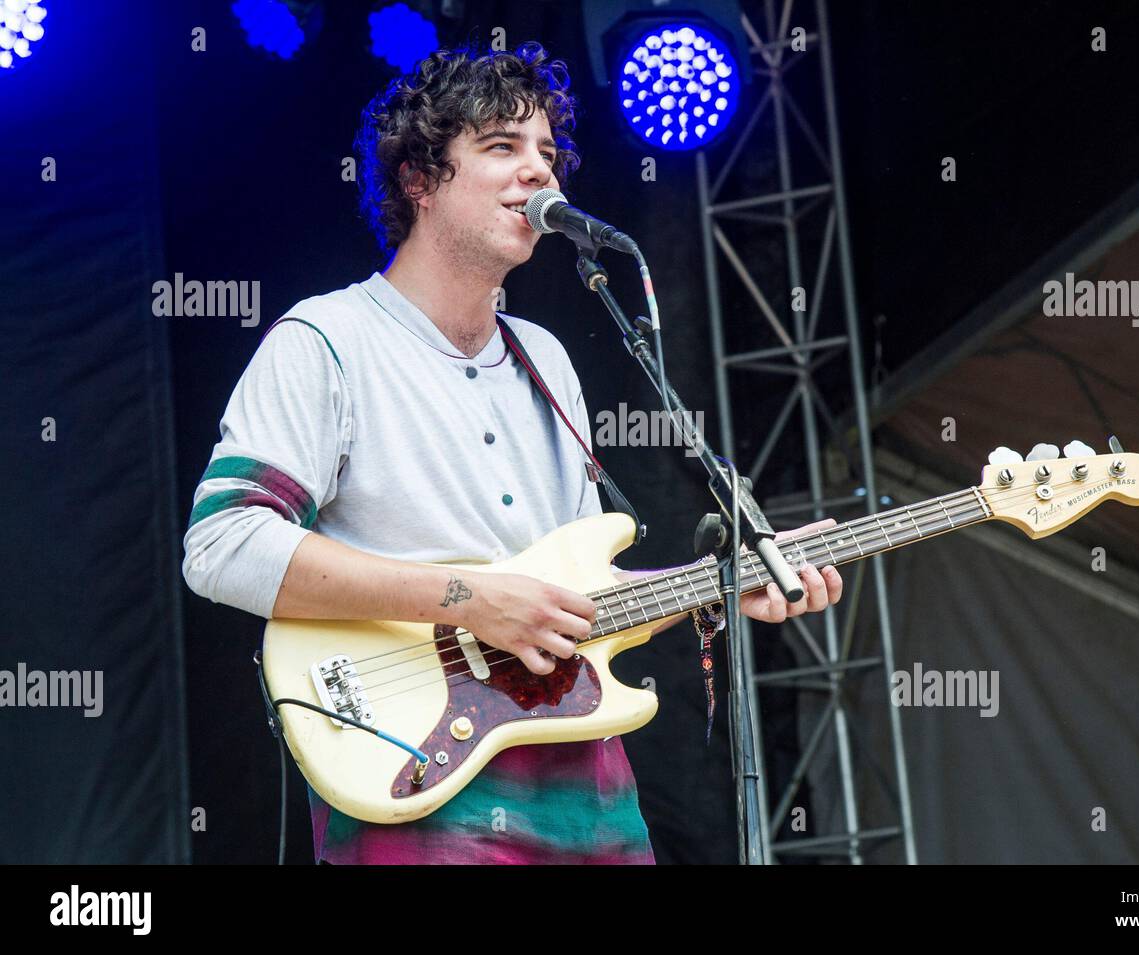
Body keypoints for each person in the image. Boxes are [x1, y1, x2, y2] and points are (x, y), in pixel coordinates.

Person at [182, 41, 842, 865]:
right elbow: (222, 546)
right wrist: (466, 599)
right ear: (420, 180)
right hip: (421, 777)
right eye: (502, 147)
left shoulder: (546, 359)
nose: (540, 173)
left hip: (591, 790)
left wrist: (720, 588)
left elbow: (577, 598)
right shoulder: (326, 340)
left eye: (547, 152)